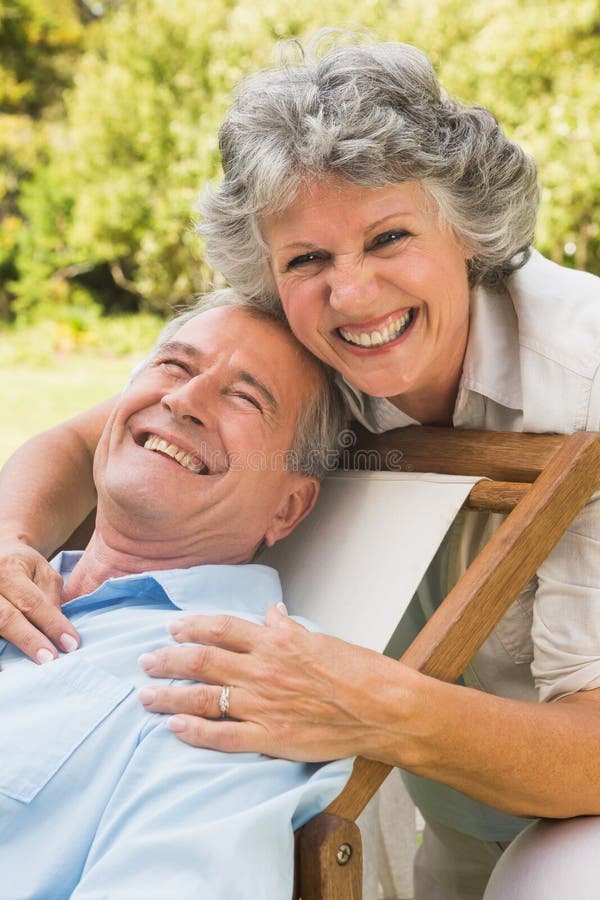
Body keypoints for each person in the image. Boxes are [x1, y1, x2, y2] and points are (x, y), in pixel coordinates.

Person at [1, 32, 600, 899]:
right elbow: (85, 442)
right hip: (455, 825)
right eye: (307, 259)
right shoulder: (303, 349)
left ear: (465, 232)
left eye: (389, 237)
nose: (351, 295)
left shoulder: (584, 378)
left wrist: (381, 707)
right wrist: (12, 541)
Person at [0, 291, 353, 900]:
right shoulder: (23, 573)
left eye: (245, 397)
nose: (183, 401)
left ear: (288, 506)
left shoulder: (243, 679)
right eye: (174, 366)